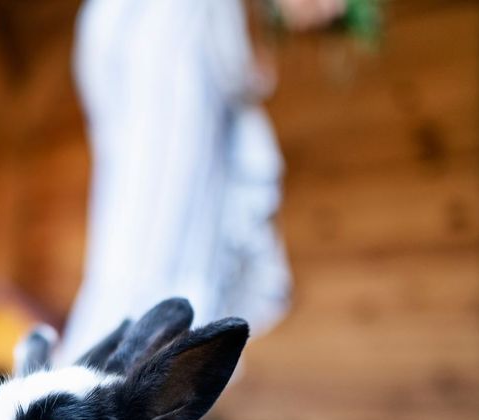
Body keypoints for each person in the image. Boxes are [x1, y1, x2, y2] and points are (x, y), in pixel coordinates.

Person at [58, 0, 346, 361]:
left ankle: (126, 364)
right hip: (162, 51)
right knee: (154, 227)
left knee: (161, 234)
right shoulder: (167, 48)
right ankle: (108, 369)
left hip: (152, 53)